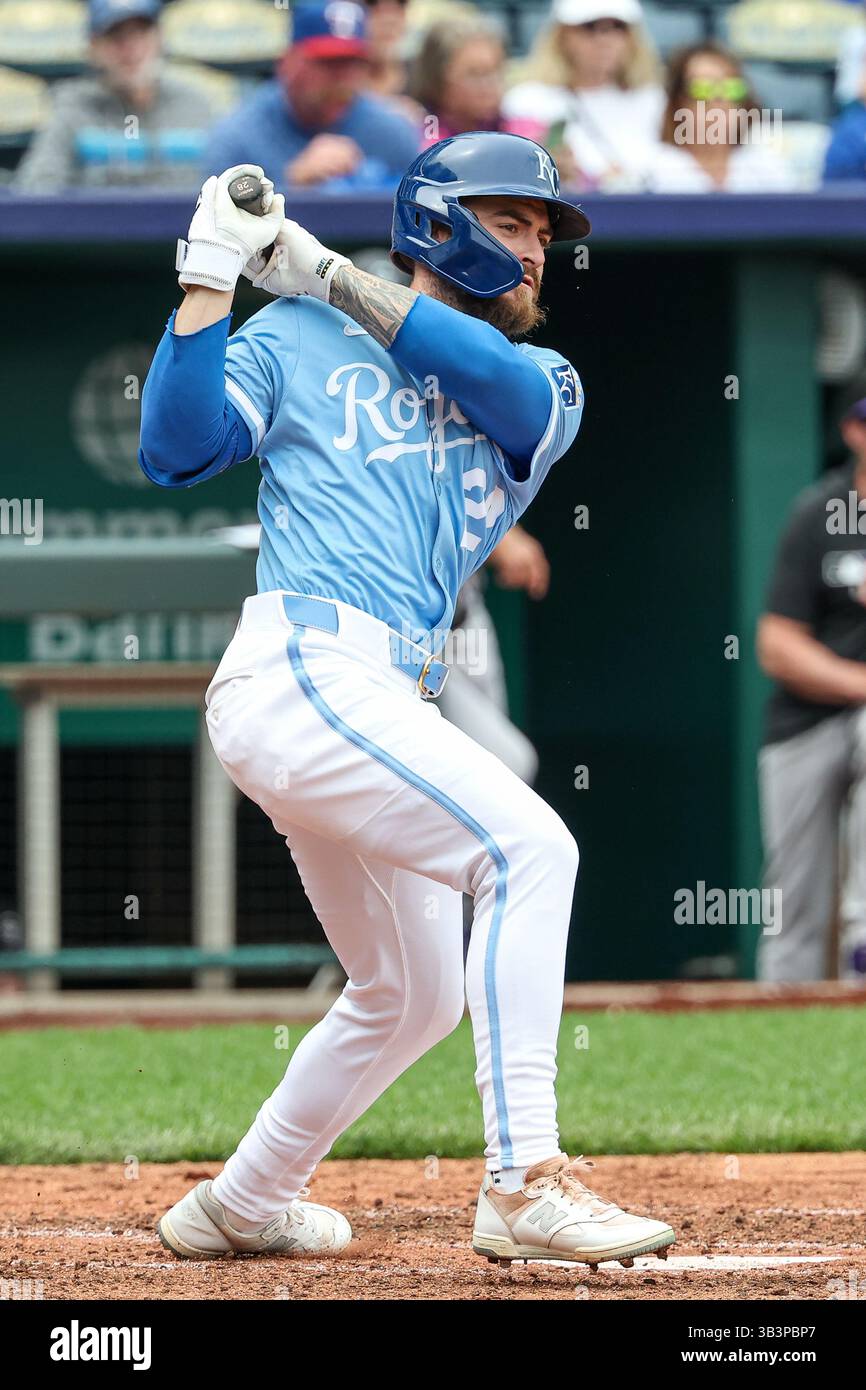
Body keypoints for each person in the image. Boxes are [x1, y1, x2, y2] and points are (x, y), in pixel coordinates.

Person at [139, 133, 675, 1268]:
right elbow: (175, 448)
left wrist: (328, 270)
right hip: (301, 665)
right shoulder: (290, 336)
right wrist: (209, 273)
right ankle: (525, 1180)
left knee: (411, 989)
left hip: (384, 689)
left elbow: (485, 381)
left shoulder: (548, 382)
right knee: (530, 849)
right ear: (441, 222)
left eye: (542, 232)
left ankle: (241, 1200)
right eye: (515, 224)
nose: (537, 254)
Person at [756, 389, 866, 982]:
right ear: (853, 431)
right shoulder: (817, 512)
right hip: (805, 722)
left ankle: (863, 949)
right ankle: (779, 1022)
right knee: (791, 906)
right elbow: (777, 645)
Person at [203, 1, 420, 194]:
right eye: (327, 63)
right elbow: (216, 226)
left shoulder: (393, 134)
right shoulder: (240, 137)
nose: (341, 77)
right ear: (286, 63)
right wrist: (290, 187)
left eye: (352, 63)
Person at [14, 0, 212, 192]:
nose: (131, 49)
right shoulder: (72, 108)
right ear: (93, 47)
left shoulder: (194, 105)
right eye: (116, 36)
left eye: (141, 33)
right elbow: (37, 190)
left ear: (159, 38)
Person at [501, 0, 664, 190]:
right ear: (563, 36)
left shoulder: (653, 98)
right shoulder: (528, 100)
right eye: (590, 27)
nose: (605, 39)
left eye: (618, 27)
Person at [639, 42, 796, 191]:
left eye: (731, 88)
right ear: (678, 101)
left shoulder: (768, 168)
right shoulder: (653, 173)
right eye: (703, 89)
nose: (720, 99)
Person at [408, 15, 548, 147]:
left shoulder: (527, 135)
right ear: (436, 77)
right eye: (474, 74)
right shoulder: (418, 135)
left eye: (496, 71)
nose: (489, 85)